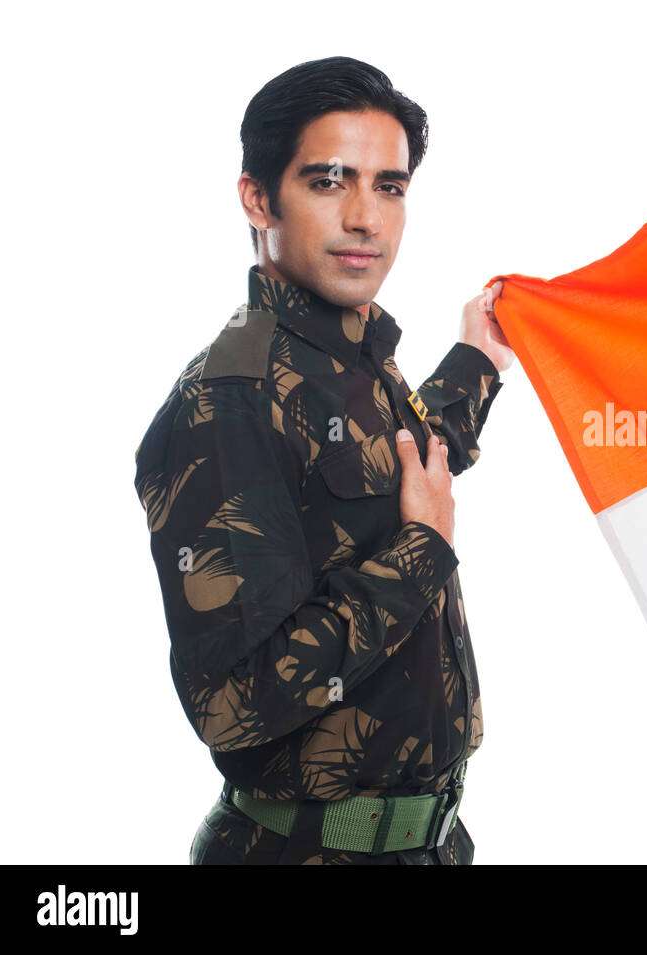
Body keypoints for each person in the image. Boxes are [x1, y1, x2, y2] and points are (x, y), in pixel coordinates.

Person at [132, 55, 514, 864]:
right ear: (258, 196)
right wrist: (421, 554)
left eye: (390, 186)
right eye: (329, 181)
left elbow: (400, 463)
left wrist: (479, 360)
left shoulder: (351, 352)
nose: (366, 218)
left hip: (431, 846)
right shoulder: (226, 401)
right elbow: (232, 702)